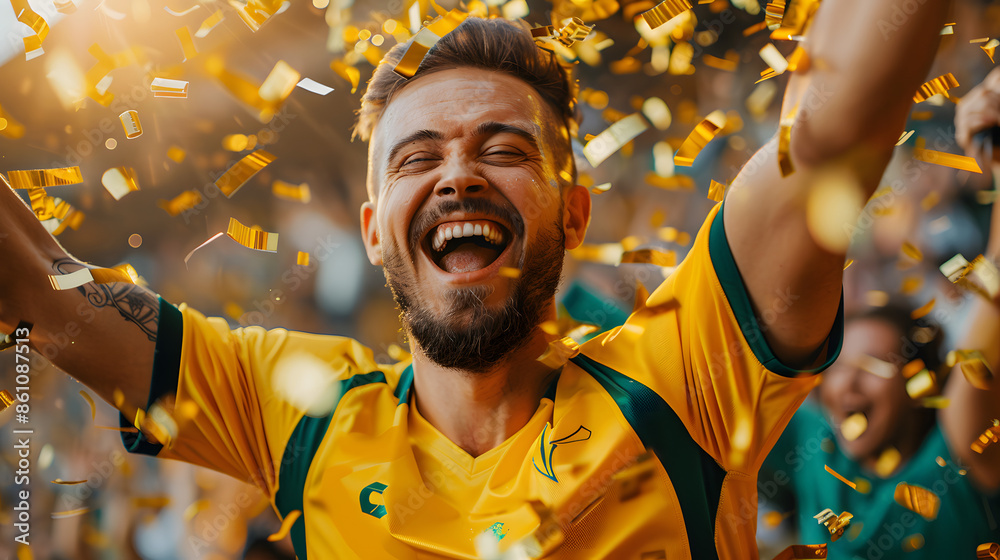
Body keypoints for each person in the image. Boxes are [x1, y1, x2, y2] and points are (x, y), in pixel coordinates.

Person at [0, 2, 950, 558]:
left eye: (503, 148)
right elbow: (43, 294)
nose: (458, 174)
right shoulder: (303, 413)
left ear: (574, 212)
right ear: (375, 232)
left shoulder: (680, 376)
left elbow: (828, 131)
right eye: (416, 159)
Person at [759, 69, 1000, 558]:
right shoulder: (816, 449)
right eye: (838, 367)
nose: (846, 384)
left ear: (923, 389)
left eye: (875, 367)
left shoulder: (958, 464)